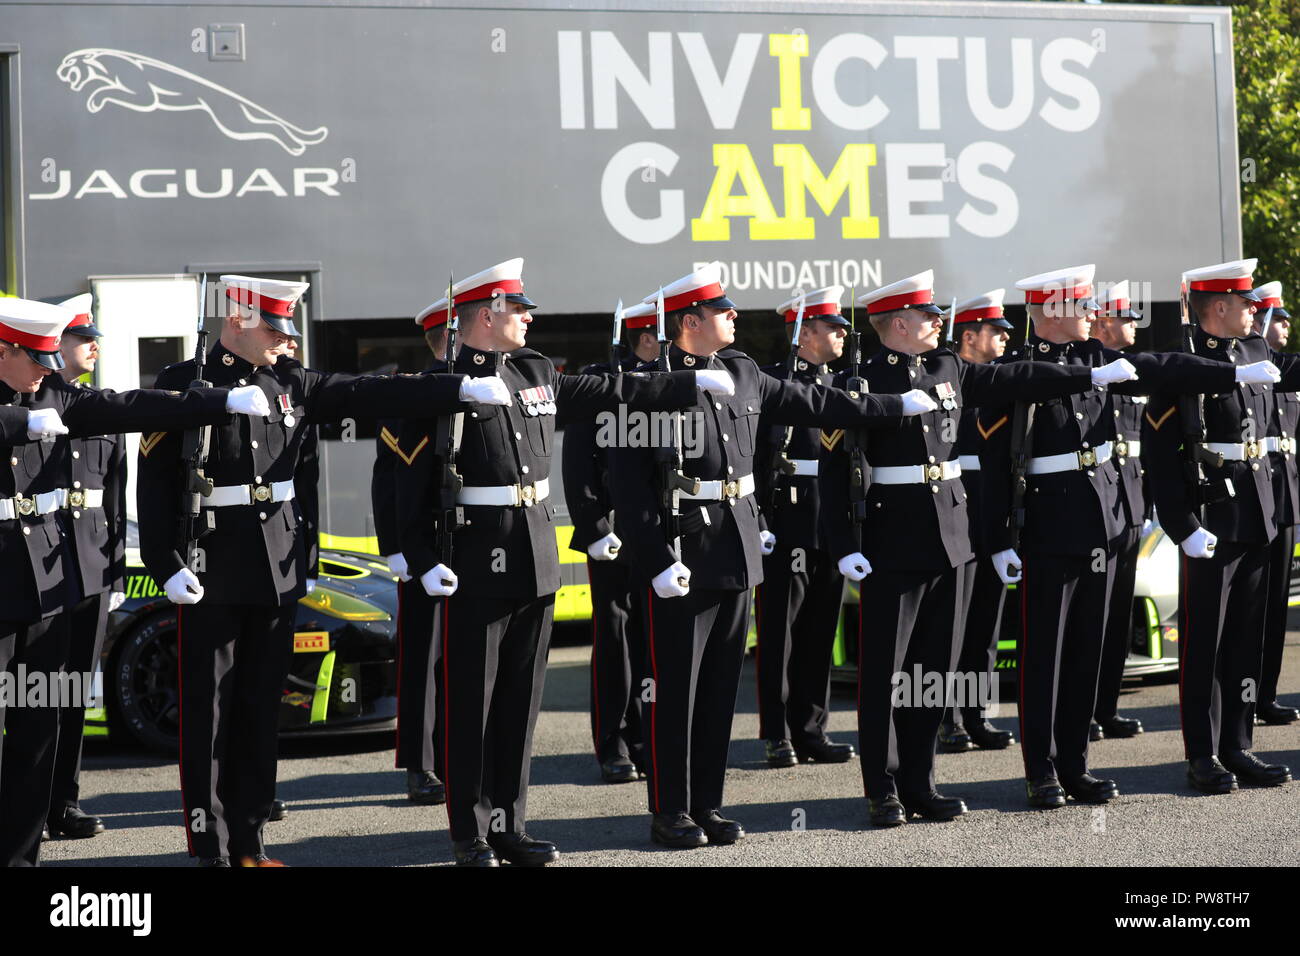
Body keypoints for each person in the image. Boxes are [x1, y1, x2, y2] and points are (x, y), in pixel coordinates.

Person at [135, 274, 497, 867]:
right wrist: (164, 560)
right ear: (237, 323)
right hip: (211, 564)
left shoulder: (291, 382)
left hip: (275, 566)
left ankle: (250, 842)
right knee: (210, 713)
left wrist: (457, 388)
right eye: (275, 330)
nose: (286, 342)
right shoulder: (184, 384)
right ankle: (211, 846)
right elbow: (155, 478)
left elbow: (365, 396)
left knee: (259, 708)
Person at [395, 258, 736, 866]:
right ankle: (468, 835)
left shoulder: (534, 371)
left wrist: (688, 383)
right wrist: (419, 558)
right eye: (517, 307)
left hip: (534, 555)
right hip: (475, 558)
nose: (528, 317)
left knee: (520, 706)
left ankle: (508, 825)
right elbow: (407, 483)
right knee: (472, 703)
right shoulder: (442, 383)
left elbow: (614, 390)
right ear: (485, 315)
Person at [609, 262, 935, 848]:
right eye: (722, 311)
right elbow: (630, 489)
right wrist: (655, 559)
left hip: (734, 548)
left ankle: (706, 805)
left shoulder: (742, 371)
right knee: (675, 690)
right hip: (683, 551)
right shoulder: (650, 384)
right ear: (688, 322)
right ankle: (669, 811)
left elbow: (816, 405)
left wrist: (897, 408)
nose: (735, 316)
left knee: (716, 690)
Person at [820, 271, 1116, 827]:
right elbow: (837, 472)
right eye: (929, 315)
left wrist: (1087, 371)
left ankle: (920, 781)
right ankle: (881, 787)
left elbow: (1016, 379)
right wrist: (841, 545)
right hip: (890, 540)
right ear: (898, 323)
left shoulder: (949, 369)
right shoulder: (856, 382)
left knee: (935, 671)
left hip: (952, 541)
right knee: (887, 672)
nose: (939, 321)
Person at [978, 263, 1270, 809]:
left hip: (1105, 525)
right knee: (1046, 656)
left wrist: (1232, 375)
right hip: (1047, 530)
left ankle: (1075, 766)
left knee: (1088, 651)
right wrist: (997, 539)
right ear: (1048, 312)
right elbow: (998, 466)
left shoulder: (1100, 359)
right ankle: (1040, 771)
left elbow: (1167, 365)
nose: (1093, 313)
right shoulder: (1016, 371)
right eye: (1080, 305)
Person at [0, 294, 269, 867]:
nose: (51, 370)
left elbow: (126, 406)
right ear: (4, 351)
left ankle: (20, 856)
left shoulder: (57, 395)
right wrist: (16, 422)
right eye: (38, 358)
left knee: (35, 732)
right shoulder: (27, 406)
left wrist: (216, 400)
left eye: (55, 358)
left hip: (43, 592)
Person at [1144, 259, 1296, 793]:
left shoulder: (1256, 352)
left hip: (1257, 515)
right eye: (1246, 303)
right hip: (1209, 523)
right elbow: (1161, 456)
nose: (1256, 311)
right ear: (1220, 307)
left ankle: (1239, 744)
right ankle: (1202, 754)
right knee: (1203, 645)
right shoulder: (1182, 366)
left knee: (1245, 642)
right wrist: (1182, 525)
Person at [753, 285, 856, 768]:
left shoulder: (846, 383)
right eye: (832, 327)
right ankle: (776, 732)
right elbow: (753, 459)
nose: (842, 335)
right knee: (780, 631)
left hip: (830, 519)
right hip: (786, 517)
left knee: (820, 629)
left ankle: (812, 728)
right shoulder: (772, 383)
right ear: (804, 331)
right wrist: (759, 520)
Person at [561, 300, 660, 784]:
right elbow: (579, 464)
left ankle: (650, 737)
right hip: (617, 532)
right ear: (644, 337)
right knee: (617, 638)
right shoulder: (600, 382)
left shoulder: (672, 380)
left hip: (663, 532)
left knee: (656, 640)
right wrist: (595, 528)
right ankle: (615, 741)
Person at [42, 294, 124, 840]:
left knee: (72, 692)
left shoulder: (103, 407)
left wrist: (114, 571)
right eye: (81, 337)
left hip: (91, 566)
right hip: (39, 569)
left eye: (94, 337)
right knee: (32, 691)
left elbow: (115, 497)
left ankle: (62, 804)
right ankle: (23, 803)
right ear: (55, 346)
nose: (92, 345)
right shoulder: (28, 406)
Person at [373, 303, 449, 804]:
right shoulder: (414, 394)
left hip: (477, 543)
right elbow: (390, 480)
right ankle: (421, 764)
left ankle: (460, 752)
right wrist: (398, 550)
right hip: (427, 545)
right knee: (424, 654)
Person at [937, 289, 1017, 754]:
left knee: (985, 625)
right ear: (969, 336)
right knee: (951, 626)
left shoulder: (1002, 384)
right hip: (953, 520)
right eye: (997, 331)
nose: (1005, 339)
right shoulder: (946, 385)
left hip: (993, 520)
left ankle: (975, 715)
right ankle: (947, 720)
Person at [1088, 280, 1147, 741]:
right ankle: (1081, 711)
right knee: (1091, 617)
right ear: (1104, 322)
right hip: (1098, 504)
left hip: (1130, 503)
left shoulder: (1130, 369)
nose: (1133, 325)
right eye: (1126, 317)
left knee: (1117, 617)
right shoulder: (1090, 369)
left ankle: (1105, 706)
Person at [1252, 281, 1300, 726]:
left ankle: (1265, 694)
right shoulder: (1258, 367)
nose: (1286, 326)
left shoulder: (1282, 368)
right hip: (1258, 492)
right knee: (1255, 603)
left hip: (1287, 495)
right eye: (1278, 318)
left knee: (1277, 602)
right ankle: (1248, 695)